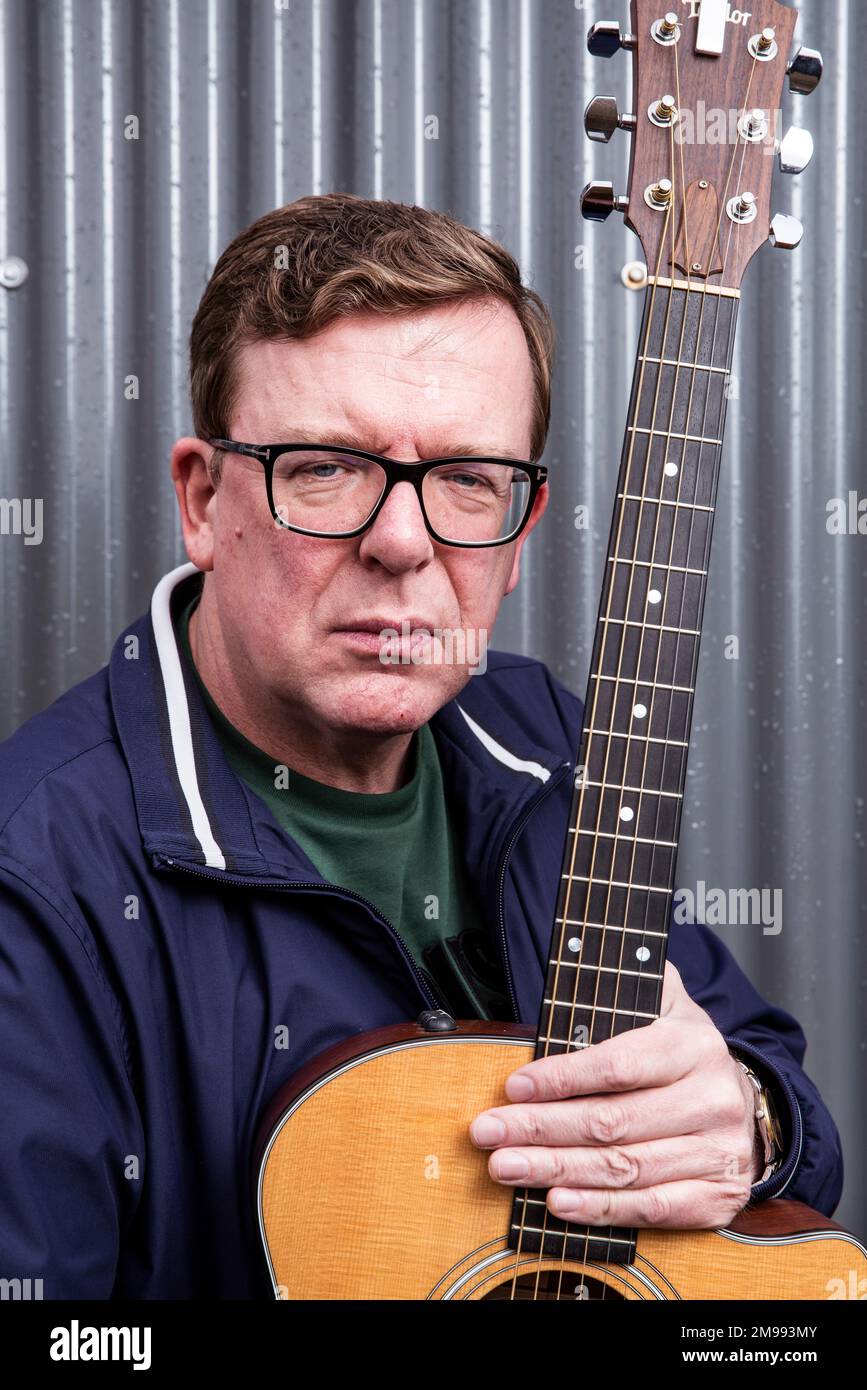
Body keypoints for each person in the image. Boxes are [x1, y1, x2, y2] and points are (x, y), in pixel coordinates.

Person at [0, 194, 842, 1299]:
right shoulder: (40, 872)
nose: (403, 542)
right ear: (204, 502)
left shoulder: (548, 742)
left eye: (465, 480)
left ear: (521, 535)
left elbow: (786, 1120)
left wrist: (746, 1118)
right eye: (325, 467)